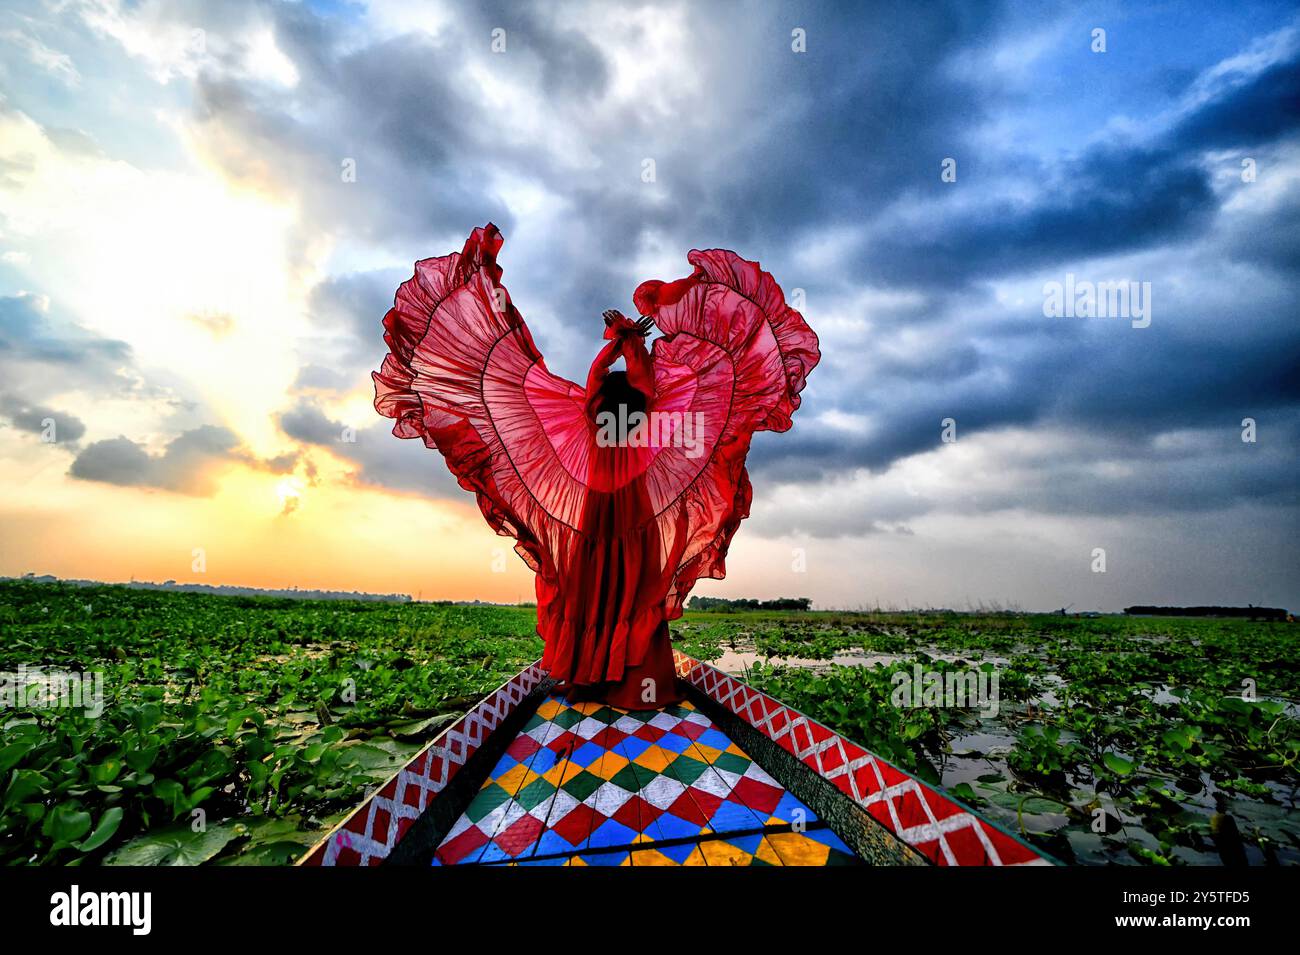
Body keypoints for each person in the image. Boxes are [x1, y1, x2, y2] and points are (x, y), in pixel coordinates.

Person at [373, 223, 818, 709]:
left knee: (593, 583)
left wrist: (619, 340)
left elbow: (598, 375)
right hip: (632, 503)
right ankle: (634, 684)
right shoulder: (644, 410)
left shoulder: (594, 406)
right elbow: (635, 379)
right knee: (633, 585)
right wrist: (630, 340)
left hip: (597, 502)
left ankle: (589, 678)